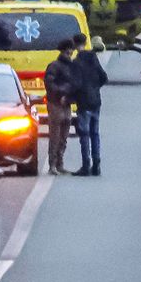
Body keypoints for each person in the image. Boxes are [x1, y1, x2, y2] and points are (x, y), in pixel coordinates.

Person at [72, 33, 108, 176]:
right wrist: (95, 88)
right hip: (95, 101)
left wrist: (74, 96)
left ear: (75, 45)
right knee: (95, 133)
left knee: (84, 134)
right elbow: (104, 77)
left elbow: (75, 83)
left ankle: (86, 165)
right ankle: (96, 164)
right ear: (86, 42)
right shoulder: (93, 58)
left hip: (83, 102)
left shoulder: (76, 63)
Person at [43, 39, 77, 176]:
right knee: (55, 135)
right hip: (55, 103)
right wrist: (62, 94)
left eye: (71, 49)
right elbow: (49, 84)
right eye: (68, 50)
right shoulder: (54, 66)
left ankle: (59, 163)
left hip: (66, 104)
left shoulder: (71, 67)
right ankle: (53, 164)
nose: (70, 52)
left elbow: (75, 84)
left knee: (63, 136)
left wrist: (69, 97)